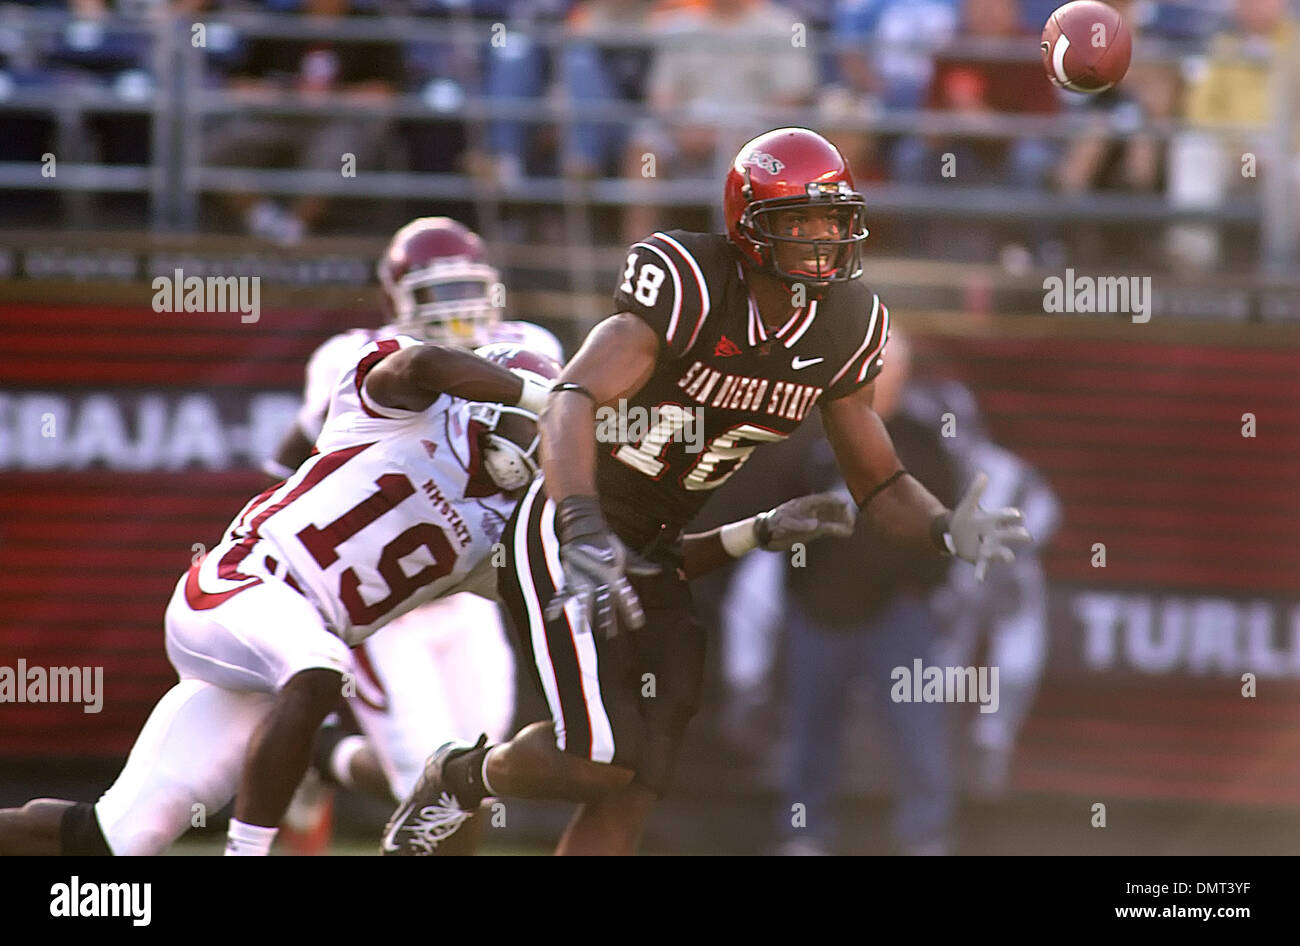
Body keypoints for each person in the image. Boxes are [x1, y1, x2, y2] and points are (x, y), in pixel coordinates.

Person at [383, 126, 1031, 856]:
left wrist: (947, 528)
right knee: (599, 758)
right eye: (800, 223)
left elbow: (879, 481)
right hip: (577, 514)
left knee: (638, 783)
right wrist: (582, 527)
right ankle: (459, 777)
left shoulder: (849, 324)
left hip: (659, 543)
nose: (821, 240)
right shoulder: (689, 279)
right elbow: (570, 400)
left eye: (832, 220)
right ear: (749, 226)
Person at [0, 336, 854, 856]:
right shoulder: (396, 411)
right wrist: (539, 398)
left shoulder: (502, 528)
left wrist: (759, 530)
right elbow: (421, 362)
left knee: (116, 838)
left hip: (276, 655)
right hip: (236, 590)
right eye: (522, 416)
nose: (531, 440)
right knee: (320, 668)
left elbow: (642, 567)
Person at [266, 217, 563, 854]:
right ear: (395, 301)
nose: (457, 313)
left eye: (467, 291)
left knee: (476, 773)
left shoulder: (527, 343)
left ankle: (329, 759)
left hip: (466, 596)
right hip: (386, 603)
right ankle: (324, 757)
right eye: (438, 295)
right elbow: (293, 459)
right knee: (425, 781)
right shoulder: (361, 357)